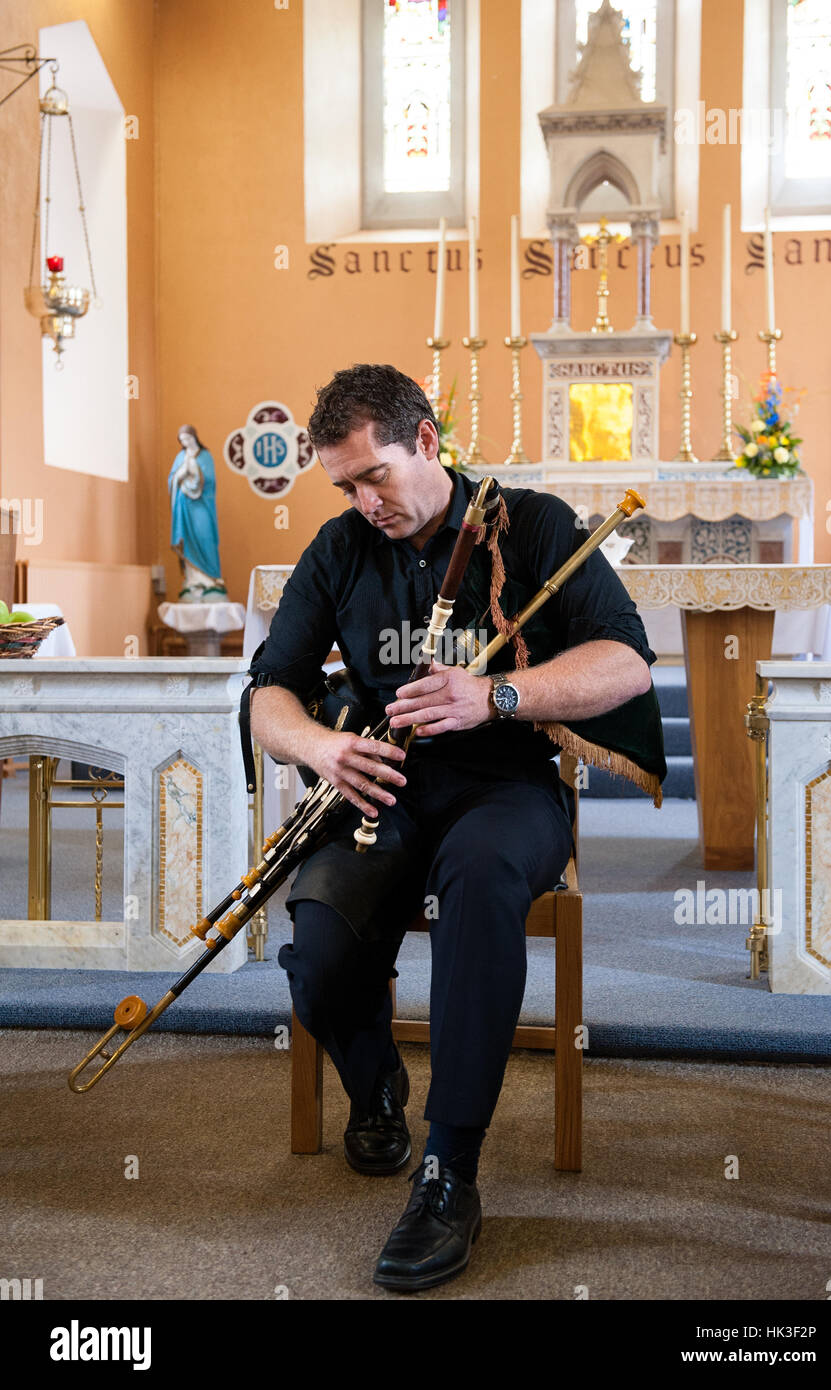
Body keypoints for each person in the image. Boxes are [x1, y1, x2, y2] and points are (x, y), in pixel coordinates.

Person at [247, 363, 665, 1292]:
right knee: (316, 951)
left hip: (504, 791)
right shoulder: (339, 548)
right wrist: (319, 747)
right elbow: (267, 692)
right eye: (345, 486)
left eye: (375, 477)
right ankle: (376, 1085)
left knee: (478, 890)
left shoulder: (533, 524)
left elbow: (626, 664)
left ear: (426, 441)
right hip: (381, 789)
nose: (363, 502)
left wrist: (498, 693)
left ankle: (449, 1173)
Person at [169, 425, 228, 600]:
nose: (185, 442)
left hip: (201, 506)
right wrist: (180, 475)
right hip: (184, 507)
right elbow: (172, 479)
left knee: (205, 538)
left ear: (194, 437)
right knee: (187, 541)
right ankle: (192, 581)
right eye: (182, 440)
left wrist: (194, 473)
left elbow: (209, 479)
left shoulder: (205, 456)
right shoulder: (180, 457)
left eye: (188, 438)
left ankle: (211, 579)